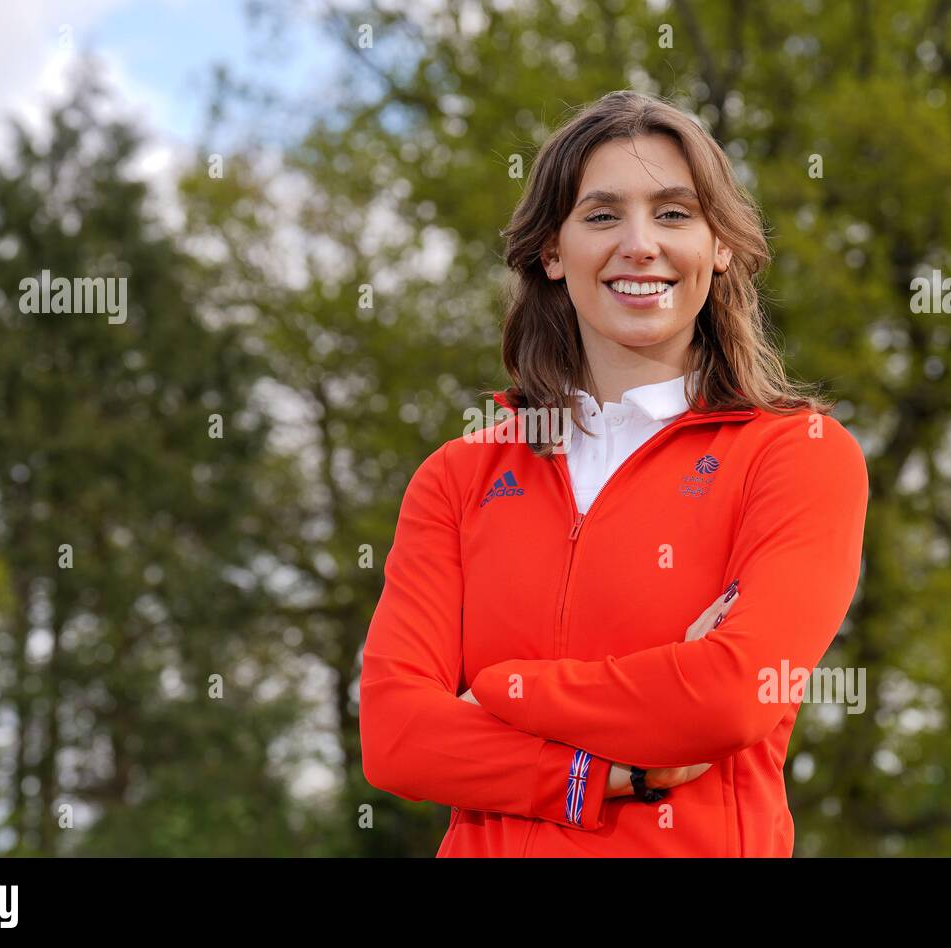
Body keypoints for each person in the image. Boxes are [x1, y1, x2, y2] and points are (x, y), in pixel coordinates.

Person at [358, 90, 868, 857]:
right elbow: (397, 737)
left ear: (719, 246)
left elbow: (731, 699)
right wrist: (608, 775)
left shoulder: (797, 453)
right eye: (601, 216)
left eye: (673, 214)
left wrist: (497, 691)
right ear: (552, 253)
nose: (639, 245)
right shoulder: (458, 476)